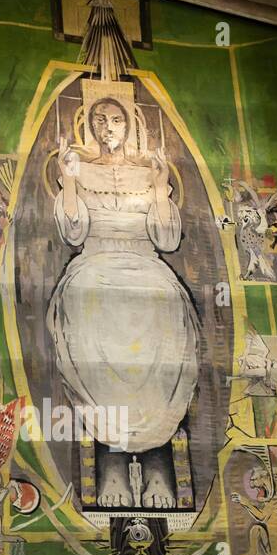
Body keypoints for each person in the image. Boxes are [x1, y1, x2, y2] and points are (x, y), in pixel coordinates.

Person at [47, 96, 199, 508]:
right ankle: (112, 465)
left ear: (130, 125)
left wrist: (159, 184)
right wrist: (70, 180)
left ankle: (156, 468)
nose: (109, 127)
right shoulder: (80, 168)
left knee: (166, 302)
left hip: (145, 263)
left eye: (117, 119)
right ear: (91, 126)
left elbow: (166, 240)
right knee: (87, 304)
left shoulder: (148, 171)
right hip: (95, 263)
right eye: (100, 119)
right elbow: (74, 234)